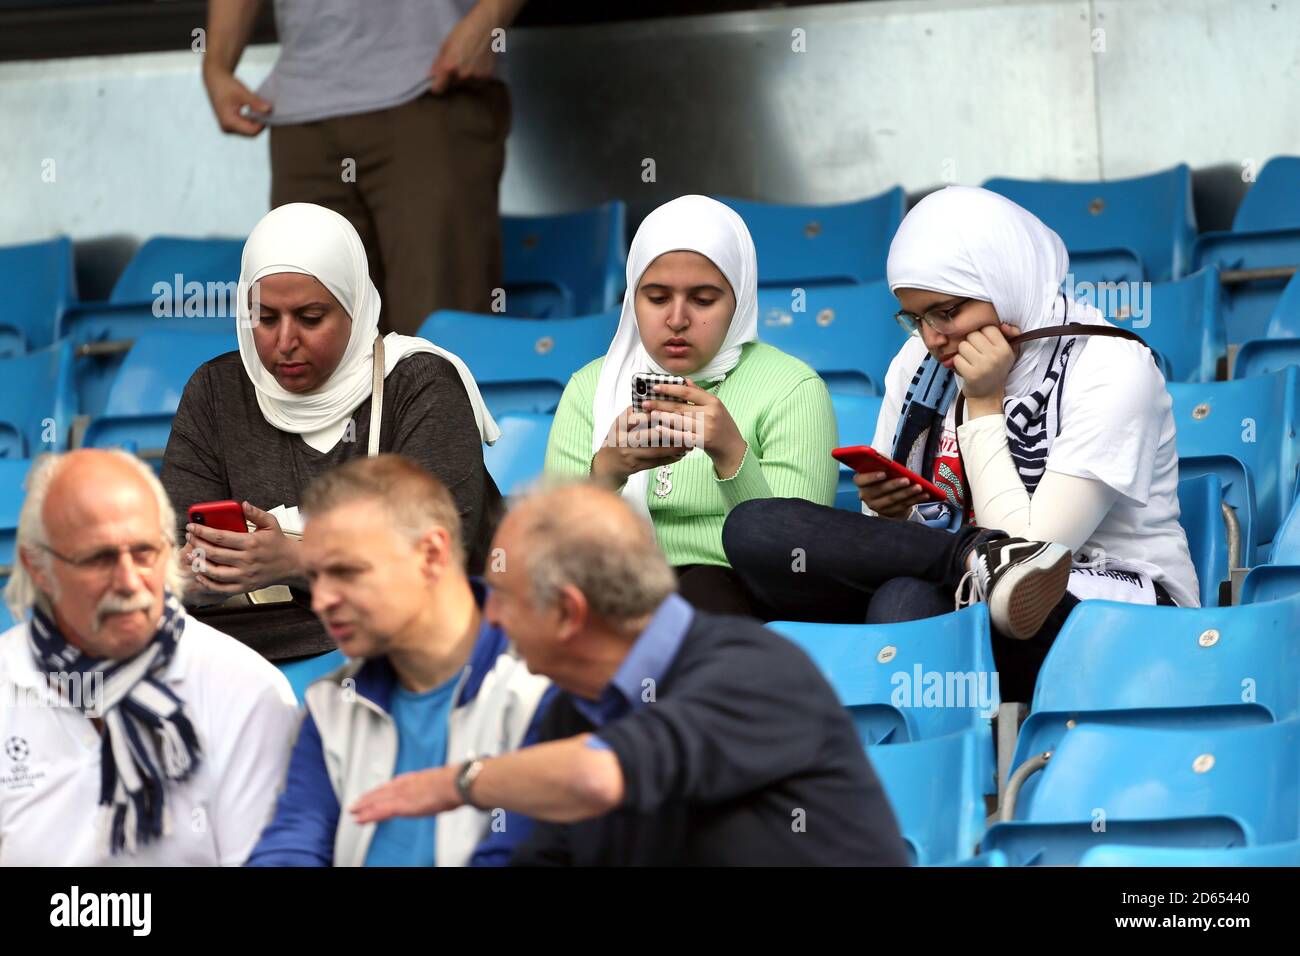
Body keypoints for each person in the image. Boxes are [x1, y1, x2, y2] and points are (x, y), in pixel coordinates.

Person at [722, 186, 1199, 700]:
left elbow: (1033, 553)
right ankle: (969, 560)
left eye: (946, 312)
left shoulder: (1112, 367)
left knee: (913, 604)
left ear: (1005, 280)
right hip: (967, 594)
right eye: (916, 318)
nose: (931, 338)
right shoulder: (917, 366)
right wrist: (887, 512)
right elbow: (893, 540)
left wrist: (985, 404)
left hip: (1111, 618)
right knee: (755, 527)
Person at [346, 483, 910, 866]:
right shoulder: (577, 707)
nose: (487, 616)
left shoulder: (749, 669)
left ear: (567, 612)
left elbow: (600, 776)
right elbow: (545, 855)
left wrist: (455, 783)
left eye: (503, 599)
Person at [162, 202, 504, 662]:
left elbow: (440, 563)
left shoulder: (419, 386)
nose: (284, 342)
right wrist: (195, 575)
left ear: (355, 307)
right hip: (242, 649)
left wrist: (299, 562)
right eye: (265, 319)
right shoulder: (215, 392)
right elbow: (174, 554)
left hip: (404, 649)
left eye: (310, 317)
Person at [246, 456, 552, 867]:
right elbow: (293, 846)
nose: (321, 600)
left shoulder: (546, 685)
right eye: (315, 576)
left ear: (430, 554)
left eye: (347, 572)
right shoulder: (331, 703)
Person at [0, 450, 298, 866]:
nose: (128, 581)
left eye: (144, 553)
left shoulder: (246, 689)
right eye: (97, 558)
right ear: (37, 568)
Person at [543, 195, 838, 615]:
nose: (678, 319)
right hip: (617, 594)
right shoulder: (592, 388)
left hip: (740, 597)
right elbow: (551, 551)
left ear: (739, 301)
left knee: (701, 587)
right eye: (657, 298)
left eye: (703, 300)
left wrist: (731, 453)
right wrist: (606, 472)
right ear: (632, 301)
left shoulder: (792, 388)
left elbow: (794, 562)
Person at [202, 0, 527, 334]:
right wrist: (216, 65)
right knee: (315, 352)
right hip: (301, 110)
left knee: (440, 340)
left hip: (433, 85)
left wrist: (488, 20)